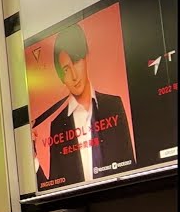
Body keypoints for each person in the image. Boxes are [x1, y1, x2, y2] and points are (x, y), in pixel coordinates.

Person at [43, 23, 135, 188]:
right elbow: (55, 185)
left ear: (86, 58)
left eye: (76, 61)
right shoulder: (57, 125)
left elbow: (129, 162)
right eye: (65, 69)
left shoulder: (113, 105)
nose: (73, 75)